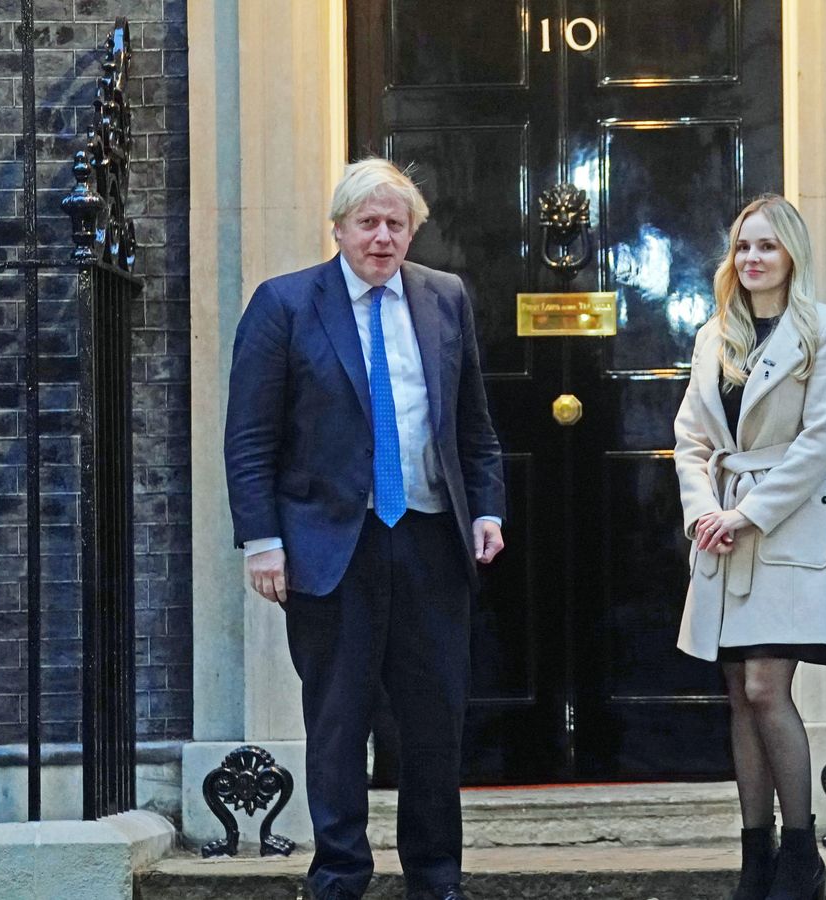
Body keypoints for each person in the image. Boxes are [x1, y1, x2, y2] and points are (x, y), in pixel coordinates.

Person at [224, 158, 506, 900]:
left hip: (428, 537)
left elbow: (473, 425)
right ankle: (341, 874)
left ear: (413, 229)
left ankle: (436, 876)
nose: (383, 238)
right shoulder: (284, 305)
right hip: (327, 547)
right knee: (339, 723)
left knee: (434, 722)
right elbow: (250, 437)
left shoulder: (446, 299)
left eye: (397, 224)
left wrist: (487, 507)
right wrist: (262, 539)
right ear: (339, 227)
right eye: (368, 223)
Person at [673, 195, 826, 900]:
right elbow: (690, 439)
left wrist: (746, 514)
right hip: (720, 535)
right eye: (743, 246)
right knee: (737, 698)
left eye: (767, 247)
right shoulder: (713, 334)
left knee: (765, 688)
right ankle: (757, 854)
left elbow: (820, 443)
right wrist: (704, 515)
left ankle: (801, 851)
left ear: (792, 257)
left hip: (786, 529)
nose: (752, 259)